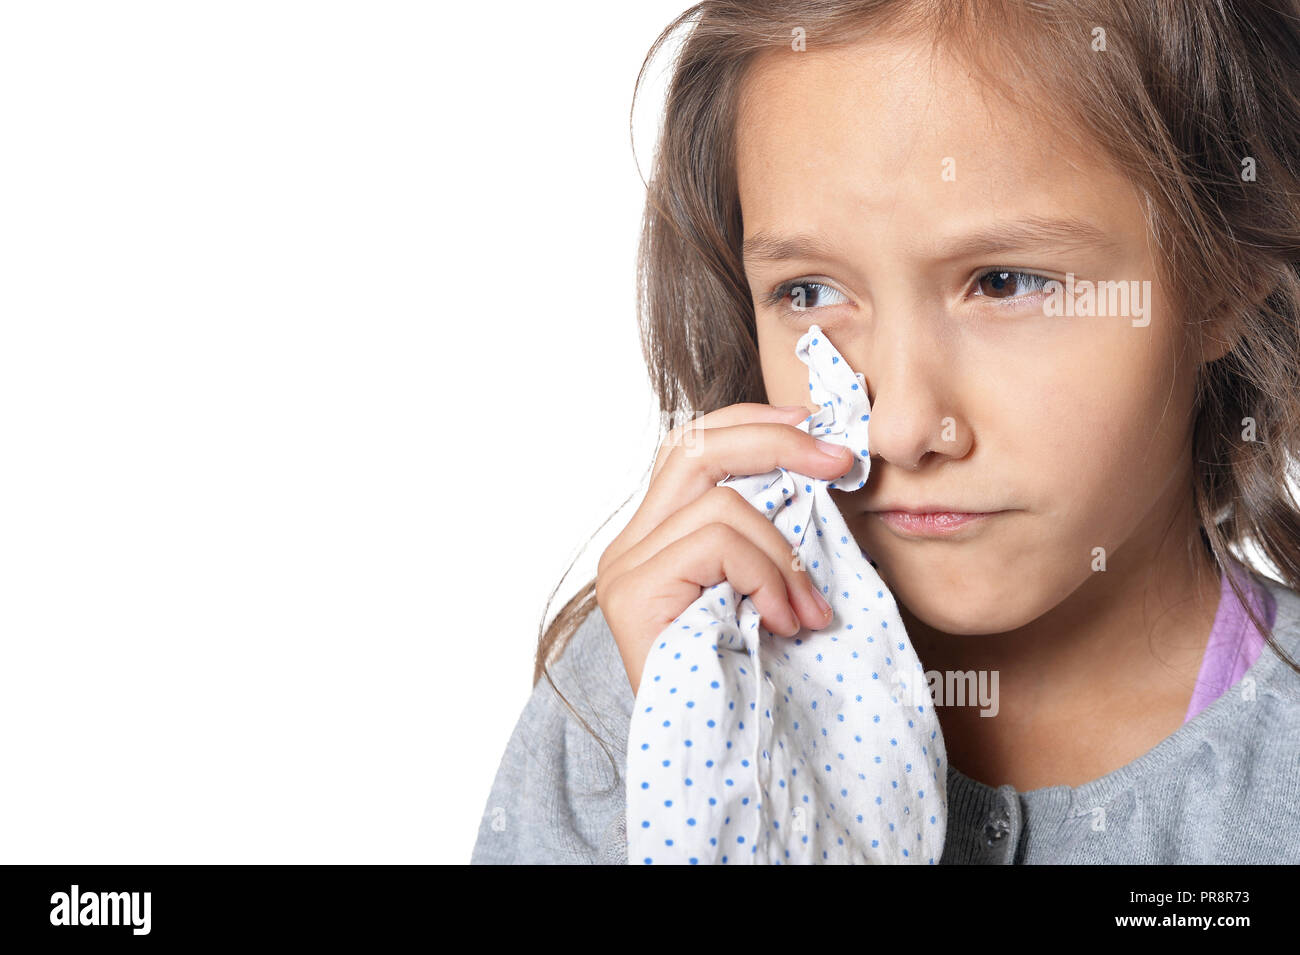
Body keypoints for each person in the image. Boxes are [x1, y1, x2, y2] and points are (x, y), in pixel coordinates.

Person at [473, 0, 1300, 864]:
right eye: (809, 293)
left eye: (1006, 282)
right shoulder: (643, 691)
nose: (903, 427)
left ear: (1224, 283)